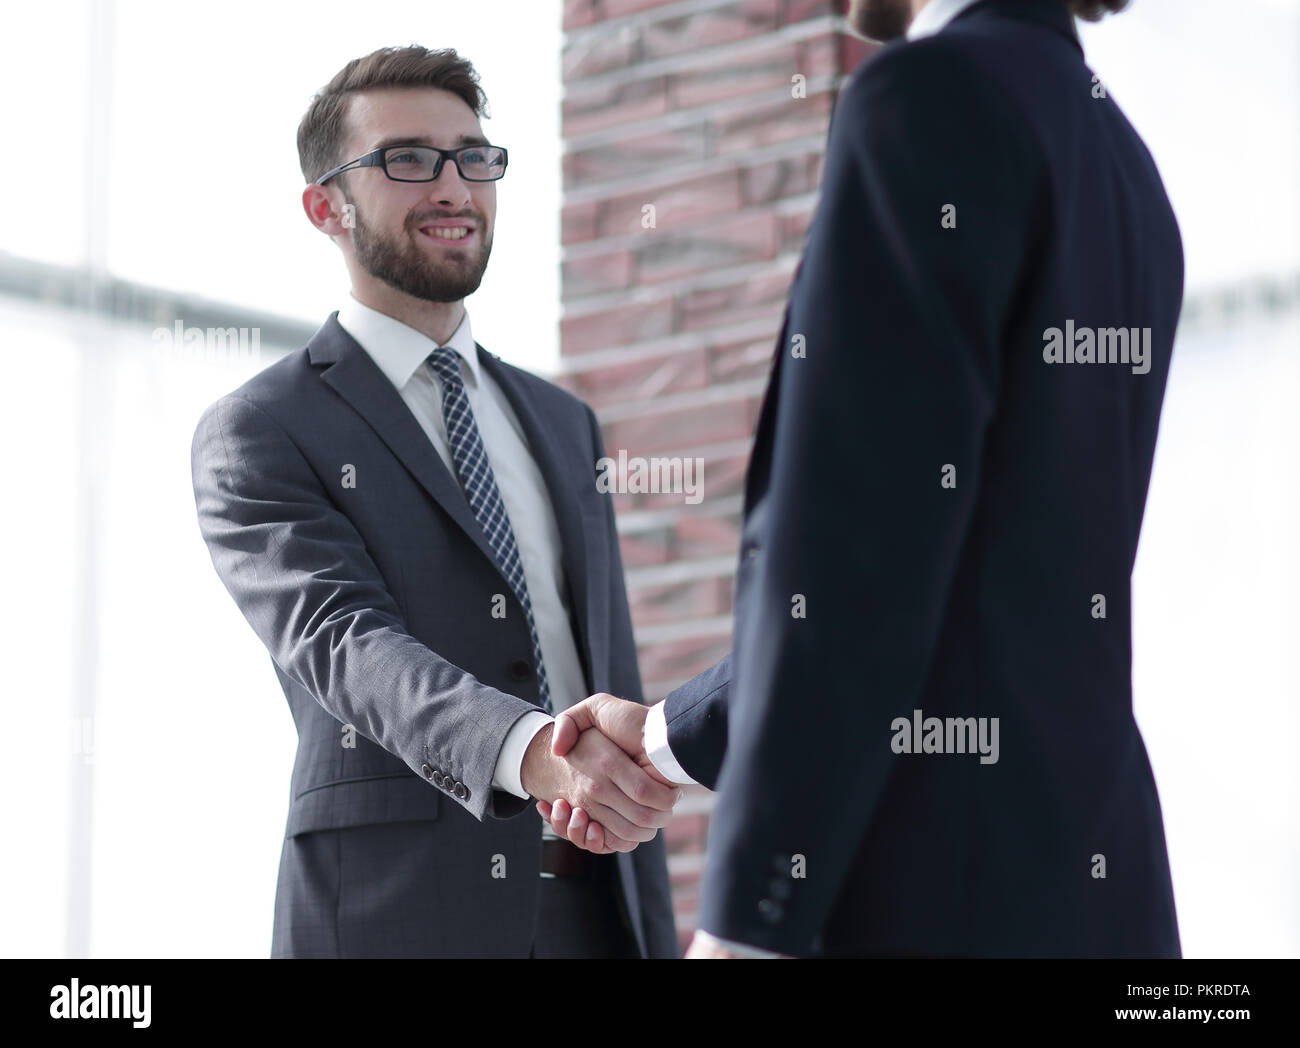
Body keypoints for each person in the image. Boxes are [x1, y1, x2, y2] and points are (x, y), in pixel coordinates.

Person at [541, 0, 1184, 960]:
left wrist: (745, 927)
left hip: (932, 892)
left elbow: (856, 561)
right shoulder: (1126, 164)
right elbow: (952, 576)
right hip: (1099, 889)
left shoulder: (927, 97)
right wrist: (668, 738)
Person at [190, 45, 677, 958]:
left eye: (474, 158)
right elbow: (344, 644)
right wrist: (530, 749)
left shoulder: (563, 421)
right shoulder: (261, 428)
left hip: (601, 912)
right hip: (400, 915)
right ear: (324, 207)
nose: (454, 187)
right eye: (407, 160)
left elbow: (604, 660)